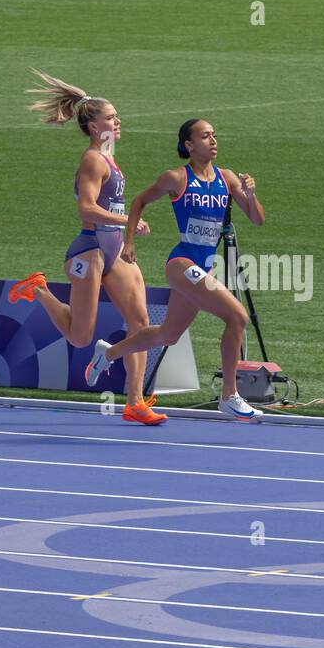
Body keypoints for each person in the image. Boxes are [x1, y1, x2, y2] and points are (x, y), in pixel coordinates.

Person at [7, 73, 166, 426]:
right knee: (80, 337)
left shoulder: (109, 156)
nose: (117, 121)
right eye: (111, 117)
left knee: (140, 322)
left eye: (116, 116)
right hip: (90, 249)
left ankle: (134, 402)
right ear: (94, 127)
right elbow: (87, 209)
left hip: (113, 248)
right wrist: (127, 222)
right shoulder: (93, 160)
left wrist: (128, 237)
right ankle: (39, 289)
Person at [85, 119, 265, 422]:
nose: (213, 141)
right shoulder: (176, 179)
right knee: (238, 317)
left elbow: (257, 219)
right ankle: (229, 395)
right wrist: (129, 242)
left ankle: (109, 353)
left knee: (168, 334)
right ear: (189, 145)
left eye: (214, 136)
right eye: (205, 136)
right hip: (182, 264)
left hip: (203, 266)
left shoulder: (228, 178)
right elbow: (140, 200)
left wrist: (249, 194)